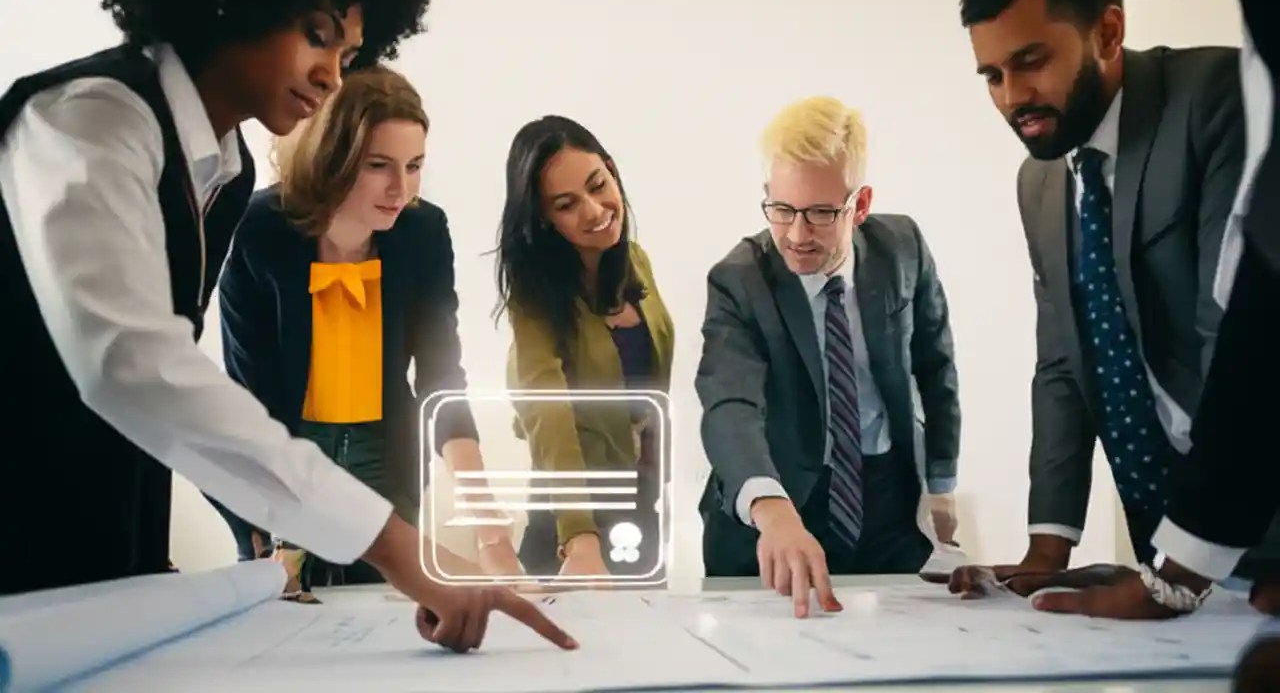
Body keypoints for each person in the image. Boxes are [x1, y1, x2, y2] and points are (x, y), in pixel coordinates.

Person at [0, 0, 574, 653]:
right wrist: (388, 549)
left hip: (118, 528)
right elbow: (137, 369)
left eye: (347, 54)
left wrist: (482, 532)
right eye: (317, 36)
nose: (332, 75)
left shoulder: (225, 170)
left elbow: (441, 379)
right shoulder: (90, 117)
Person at [945, 0, 1280, 599]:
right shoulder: (1040, 181)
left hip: (1254, 509)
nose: (1014, 97)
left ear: (1107, 32)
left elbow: (1242, 327)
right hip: (1164, 534)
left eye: (1031, 62)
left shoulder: (1217, 98)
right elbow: (1062, 363)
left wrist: (1185, 570)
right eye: (992, 75)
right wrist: (1047, 547)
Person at [213, 64, 524, 599]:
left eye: (415, 166)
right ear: (333, 159)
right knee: (284, 625)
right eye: (379, 165)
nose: (401, 189)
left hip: (386, 467)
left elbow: (441, 379)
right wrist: (272, 537)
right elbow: (248, 398)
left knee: (384, 622)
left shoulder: (424, 232)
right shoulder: (259, 227)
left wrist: (489, 530)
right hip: (283, 467)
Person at [695, 96, 962, 618]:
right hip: (776, 511)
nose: (797, 235)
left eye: (820, 213)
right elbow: (729, 404)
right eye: (782, 210)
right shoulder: (739, 280)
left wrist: (942, 484)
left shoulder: (902, 247)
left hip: (887, 505)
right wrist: (773, 510)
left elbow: (936, 366)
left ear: (859, 205)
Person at [495, 115, 674, 580]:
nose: (594, 211)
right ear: (544, 218)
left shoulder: (636, 262)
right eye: (567, 204)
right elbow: (547, 414)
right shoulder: (534, 299)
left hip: (639, 513)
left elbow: (652, 397)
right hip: (567, 520)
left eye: (598, 185)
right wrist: (579, 535)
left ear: (611, 170)